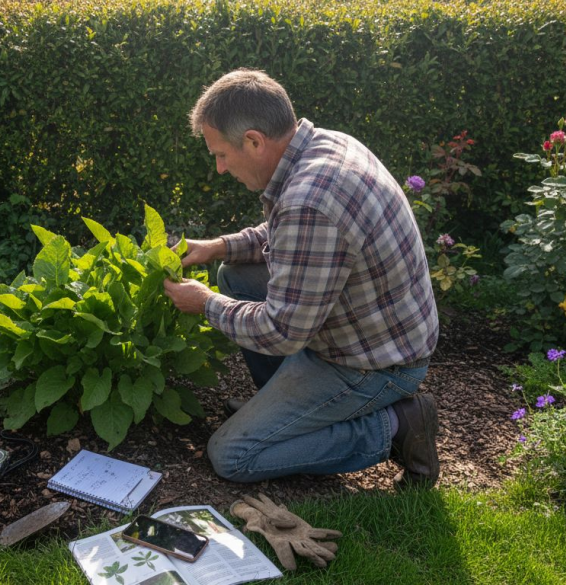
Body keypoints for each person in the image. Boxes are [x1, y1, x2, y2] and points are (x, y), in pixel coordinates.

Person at [163, 69, 440, 489]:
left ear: (254, 141)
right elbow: (290, 239)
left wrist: (204, 303)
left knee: (233, 455)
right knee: (234, 273)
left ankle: (397, 425)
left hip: (375, 364)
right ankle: (285, 411)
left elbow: (281, 333)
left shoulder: (310, 200)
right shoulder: (323, 145)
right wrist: (217, 245)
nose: (219, 168)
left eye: (221, 154)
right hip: (364, 327)